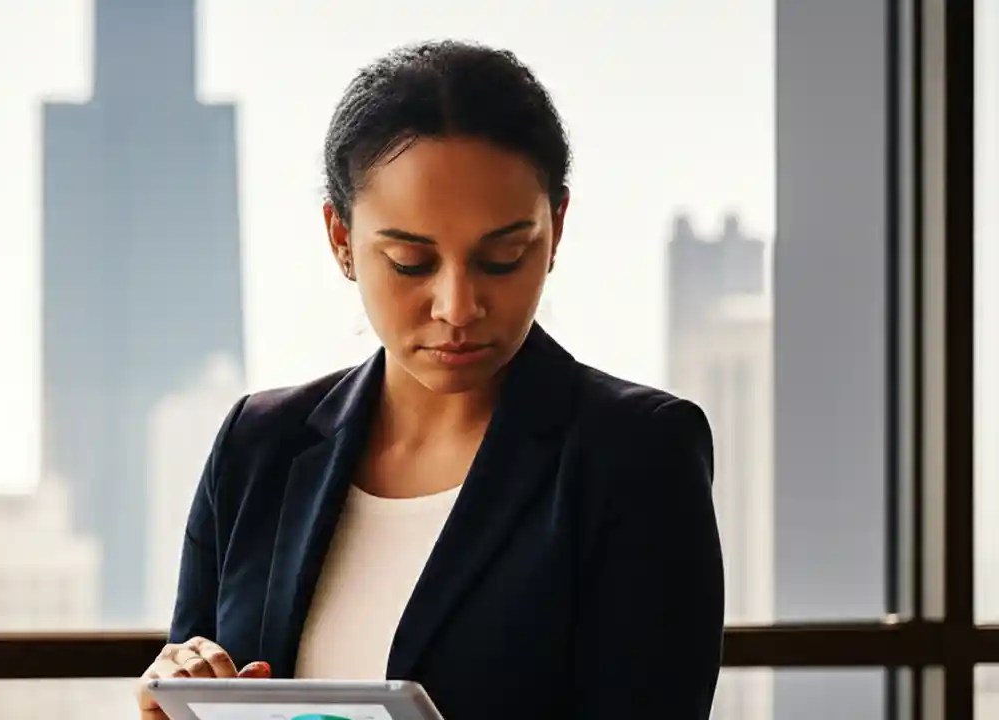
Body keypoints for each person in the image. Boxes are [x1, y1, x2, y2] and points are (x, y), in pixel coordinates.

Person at [136, 40, 724, 719]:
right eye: (411, 263)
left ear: (556, 228)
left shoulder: (637, 455)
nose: (458, 307)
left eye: (503, 257)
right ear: (340, 239)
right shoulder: (258, 447)